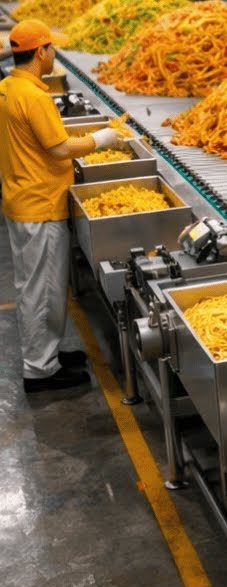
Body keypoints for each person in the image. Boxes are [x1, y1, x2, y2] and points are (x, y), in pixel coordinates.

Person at [1, 20, 123, 393]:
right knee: (41, 290)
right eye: (53, 49)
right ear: (41, 52)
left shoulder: (9, 86)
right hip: (39, 204)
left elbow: (43, 138)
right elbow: (58, 149)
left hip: (23, 196)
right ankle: (40, 371)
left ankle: (47, 354)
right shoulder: (34, 97)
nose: (55, 55)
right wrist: (101, 138)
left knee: (46, 287)